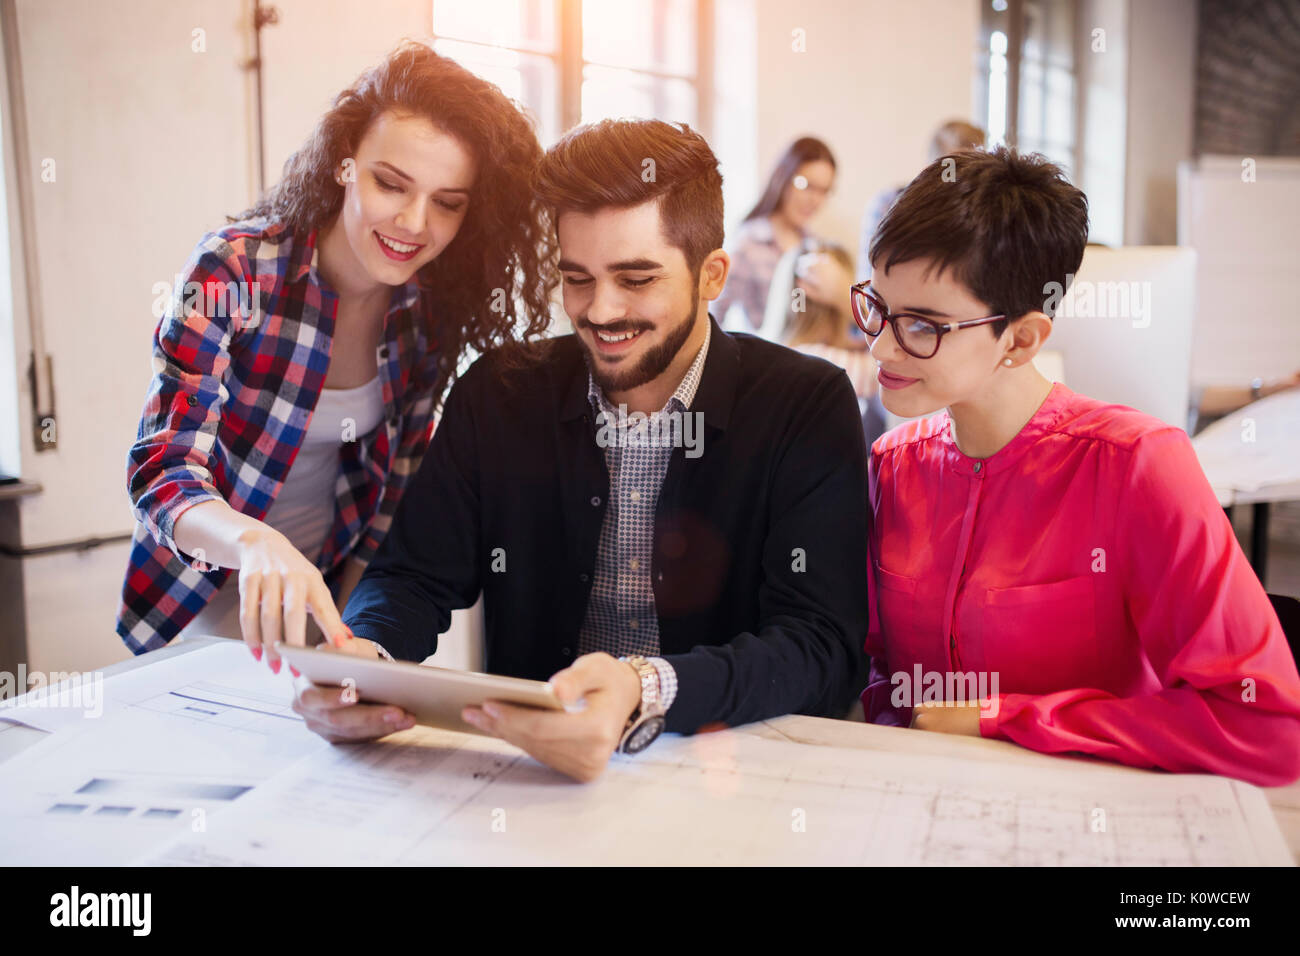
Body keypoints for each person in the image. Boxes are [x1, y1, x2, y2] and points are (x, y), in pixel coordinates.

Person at [294, 119, 870, 782]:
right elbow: (412, 575)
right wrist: (367, 656)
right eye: (578, 279)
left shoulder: (803, 404)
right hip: (539, 781)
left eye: (636, 279)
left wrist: (646, 687)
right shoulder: (502, 394)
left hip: (732, 778)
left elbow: (820, 647)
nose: (601, 311)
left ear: (712, 275)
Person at [857, 147, 1300, 786]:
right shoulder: (894, 464)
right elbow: (885, 683)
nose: (880, 345)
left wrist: (1004, 717)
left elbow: (1263, 726)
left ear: (1023, 338)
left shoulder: (1136, 465)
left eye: (922, 325)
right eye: (876, 306)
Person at [116, 43, 557, 675]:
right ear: (344, 164)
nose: (413, 222)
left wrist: (354, 639)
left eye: (448, 202)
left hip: (326, 601)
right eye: (390, 183)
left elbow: (392, 490)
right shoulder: (233, 269)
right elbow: (160, 469)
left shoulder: (431, 307)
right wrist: (257, 543)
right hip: (195, 599)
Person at [714, 136, 852, 333]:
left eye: (824, 191)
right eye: (806, 185)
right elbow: (714, 315)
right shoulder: (749, 243)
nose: (815, 200)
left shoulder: (816, 248)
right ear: (783, 177)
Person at [857, 120, 985, 282]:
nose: (962, 182)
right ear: (928, 170)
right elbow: (869, 281)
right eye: (953, 170)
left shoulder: (982, 213)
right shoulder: (887, 204)